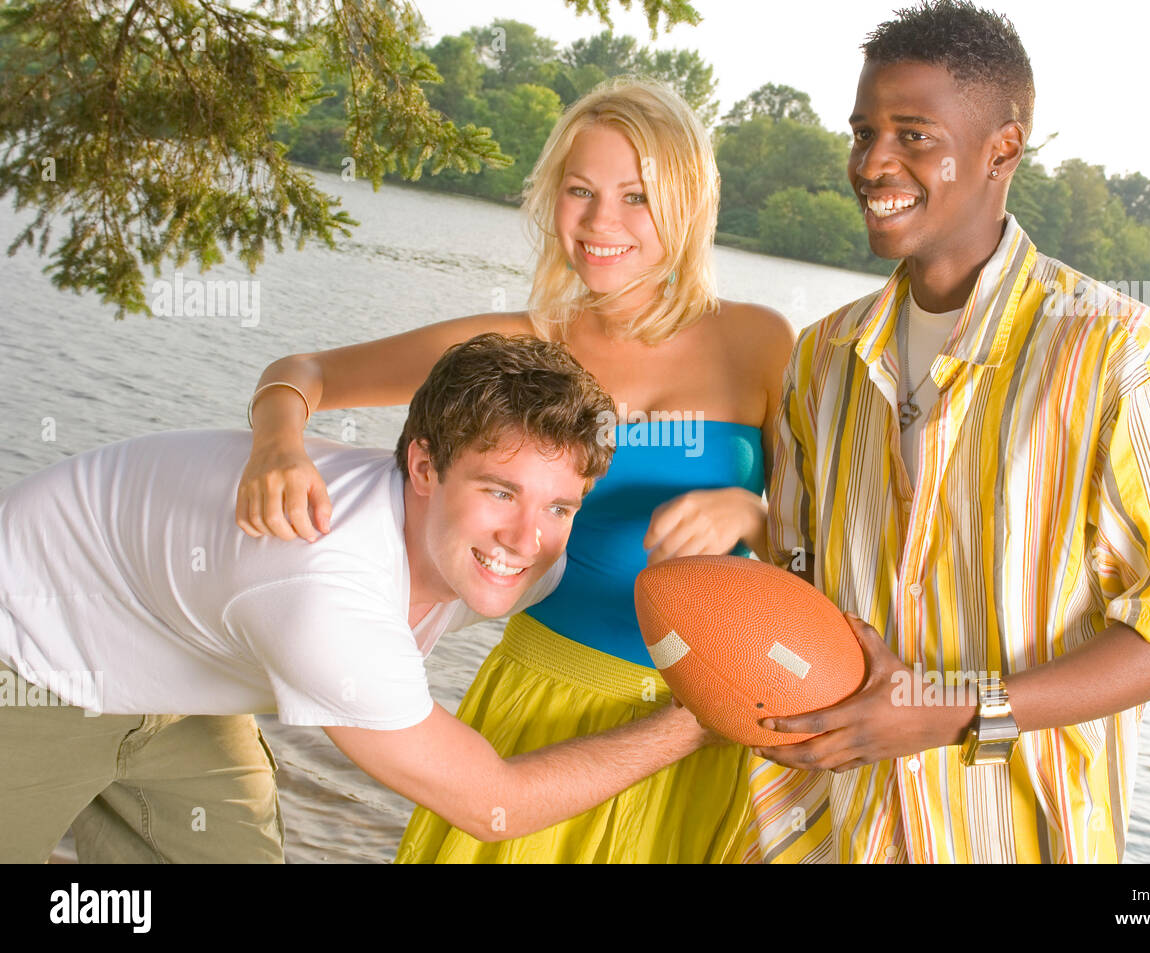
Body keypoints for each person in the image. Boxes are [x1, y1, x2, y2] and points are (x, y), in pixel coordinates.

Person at [235, 79, 795, 862]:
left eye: (636, 196)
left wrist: (753, 512)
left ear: (690, 205)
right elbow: (303, 372)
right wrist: (277, 447)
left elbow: (819, 553)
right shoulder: (517, 347)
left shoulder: (762, 343)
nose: (601, 222)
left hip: (704, 714)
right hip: (545, 702)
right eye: (580, 190)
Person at [744, 0, 1150, 864]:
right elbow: (798, 581)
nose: (872, 162)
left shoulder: (1124, 353)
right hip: (833, 829)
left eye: (912, 134)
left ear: (1002, 149)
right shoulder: (821, 357)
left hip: (1010, 837)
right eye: (862, 132)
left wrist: (955, 708)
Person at [0, 333, 720, 863]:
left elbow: (625, 571)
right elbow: (491, 803)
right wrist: (692, 724)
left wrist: (745, 518)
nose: (527, 536)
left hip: (173, 671)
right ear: (424, 465)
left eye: (559, 507)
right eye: (500, 491)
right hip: (28, 653)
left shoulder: (512, 549)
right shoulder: (326, 594)